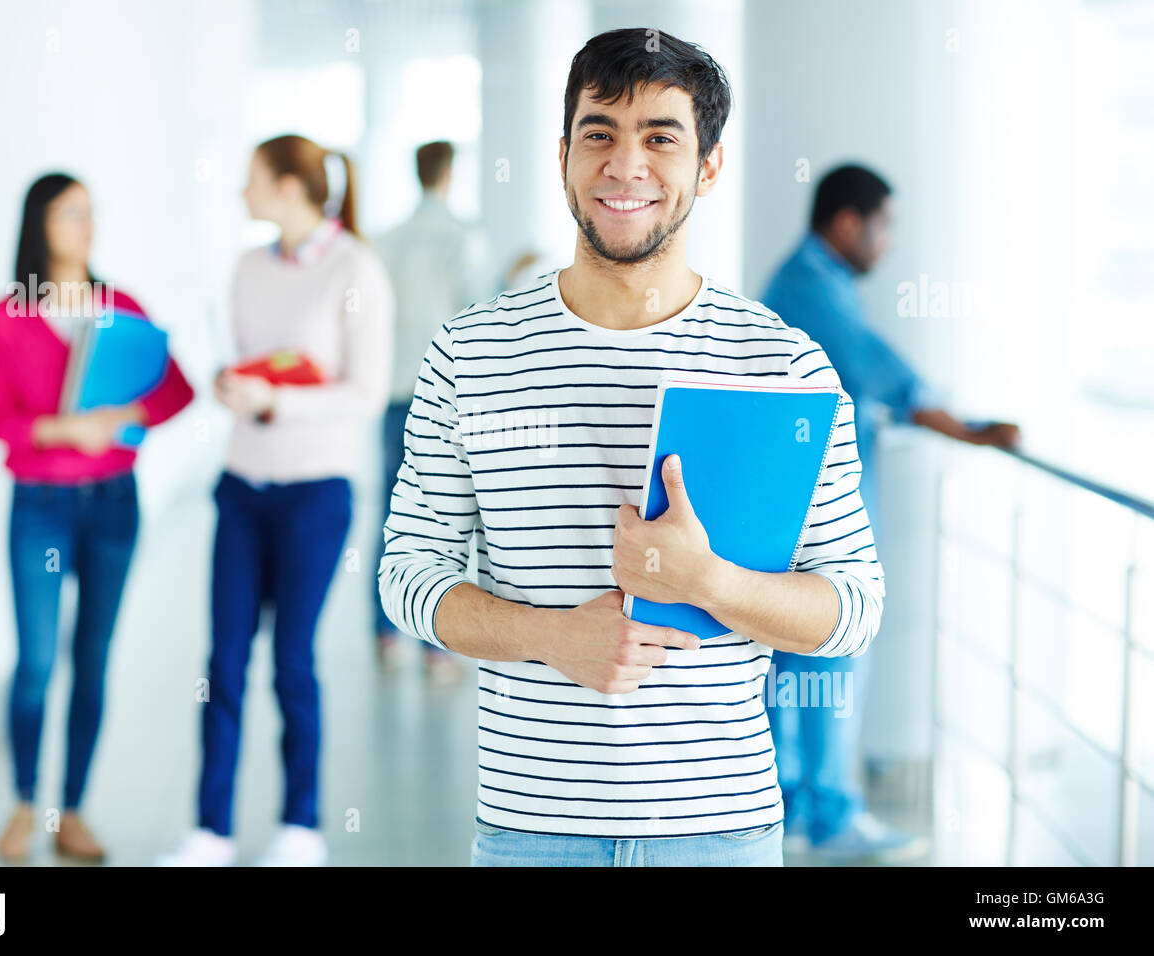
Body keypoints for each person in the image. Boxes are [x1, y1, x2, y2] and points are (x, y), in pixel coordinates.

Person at [379, 28, 884, 867]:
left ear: (709, 166)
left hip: (723, 833)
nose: (625, 166)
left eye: (661, 137)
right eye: (599, 134)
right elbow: (406, 576)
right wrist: (549, 635)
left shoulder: (783, 364)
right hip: (528, 832)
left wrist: (708, 582)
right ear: (565, 155)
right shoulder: (470, 353)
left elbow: (853, 609)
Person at [759, 164, 1020, 862]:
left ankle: (798, 809)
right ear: (849, 222)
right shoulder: (812, 288)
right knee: (830, 663)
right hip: (817, 528)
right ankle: (829, 819)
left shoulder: (805, 280)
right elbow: (886, 375)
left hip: (794, 515)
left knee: (800, 668)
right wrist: (968, 429)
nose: (890, 243)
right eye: (886, 225)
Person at [157, 135, 393, 867]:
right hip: (240, 487)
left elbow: (366, 391)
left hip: (314, 494)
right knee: (223, 660)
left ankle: (301, 827)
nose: (241, 193)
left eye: (251, 180)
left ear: (289, 188)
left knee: (292, 659)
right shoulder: (247, 266)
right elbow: (238, 360)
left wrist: (276, 402)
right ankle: (211, 830)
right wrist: (234, 387)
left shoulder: (356, 269)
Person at [0, 172, 195, 863]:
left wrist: (121, 418)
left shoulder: (123, 307)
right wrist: (62, 430)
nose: (86, 225)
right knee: (38, 662)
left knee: (92, 660)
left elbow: (176, 390)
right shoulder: (7, 316)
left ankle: (71, 811)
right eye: (70, 214)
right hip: (39, 508)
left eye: (90, 212)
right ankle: (23, 804)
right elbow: (0, 421)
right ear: (39, 224)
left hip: (112, 506)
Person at [370, 141, 497, 683]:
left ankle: (383, 632)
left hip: (394, 393)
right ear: (449, 174)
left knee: (391, 513)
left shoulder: (384, 242)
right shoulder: (464, 238)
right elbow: (481, 318)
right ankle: (437, 648)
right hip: (447, 401)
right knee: (454, 517)